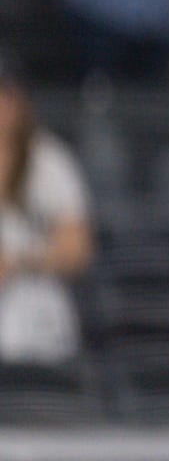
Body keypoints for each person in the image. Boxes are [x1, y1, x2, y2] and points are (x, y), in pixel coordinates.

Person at [0, 54, 94, 367]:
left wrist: (18, 261)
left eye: (6, 94)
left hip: (37, 323)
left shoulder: (49, 161)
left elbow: (77, 248)